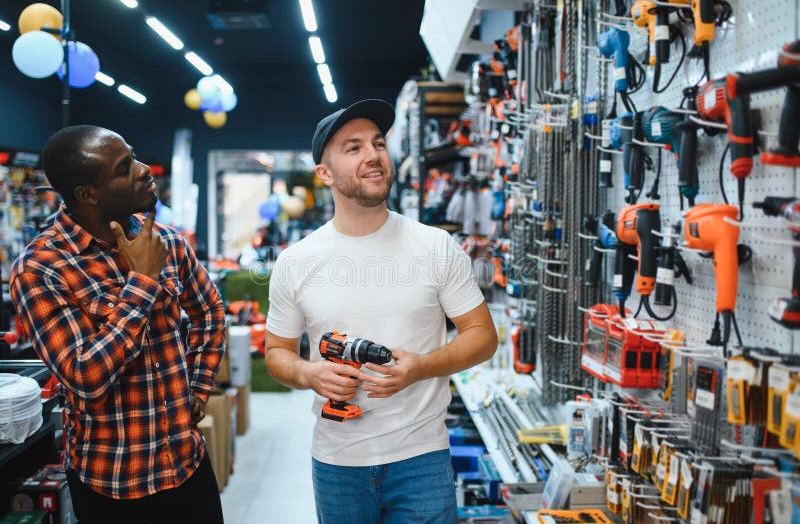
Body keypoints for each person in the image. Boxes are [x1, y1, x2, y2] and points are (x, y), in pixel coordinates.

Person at [265, 99, 498, 523]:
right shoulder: (296, 261)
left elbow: (482, 335)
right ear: (325, 173)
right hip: (337, 464)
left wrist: (422, 366)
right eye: (353, 148)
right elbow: (276, 352)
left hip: (422, 460)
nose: (373, 155)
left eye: (378, 143)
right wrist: (310, 373)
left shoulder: (435, 246)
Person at [10, 126, 226, 524]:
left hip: (187, 466)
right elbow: (85, 376)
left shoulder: (167, 242)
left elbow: (210, 311)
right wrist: (142, 282)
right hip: (113, 484)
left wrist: (199, 385)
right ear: (87, 194)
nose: (145, 171)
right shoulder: (41, 268)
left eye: (135, 157)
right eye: (125, 168)